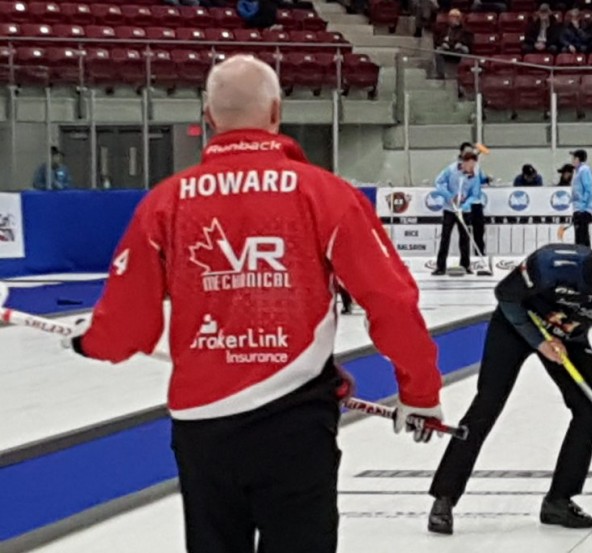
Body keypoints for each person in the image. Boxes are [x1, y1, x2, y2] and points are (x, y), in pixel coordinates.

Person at [64, 55, 444, 553]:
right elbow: (390, 301)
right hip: (295, 426)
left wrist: (89, 343)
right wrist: (419, 392)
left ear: (209, 114)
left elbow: (126, 329)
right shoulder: (323, 193)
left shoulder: (167, 201)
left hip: (204, 430)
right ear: (276, 111)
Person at [428, 239, 592, 534]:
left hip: (569, 339)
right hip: (517, 326)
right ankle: (444, 497)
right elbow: (505, 294)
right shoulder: (555, 262)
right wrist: (540, 343)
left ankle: (559, 501)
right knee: (488, 402)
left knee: (589, 412)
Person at [432, 151, 481, 276]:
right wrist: (449, 196)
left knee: (465, 238)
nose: (471, 168)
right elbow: (438, 183)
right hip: (449, 209)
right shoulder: (451, 170)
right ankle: (440, 267)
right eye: (469, 165)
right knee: (445, 237)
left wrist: (466, 203)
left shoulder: (475, 175)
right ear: (463, 162)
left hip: (464, 211)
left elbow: (475, 195)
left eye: (473, 165)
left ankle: (465, 265)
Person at [461, 142, 493, 276]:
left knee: (479, 230)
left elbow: (480, 180)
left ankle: (480, 256)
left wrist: (487, 179)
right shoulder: (460, 167)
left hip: (477, 203)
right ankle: (465, 261)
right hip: (466, 204)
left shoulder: (477, 167)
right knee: (465, 232)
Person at [570, 149, 592, 247]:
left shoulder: (584, 170)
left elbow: (588, 188)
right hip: (578, 208)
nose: (572, 160)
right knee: (579, 236)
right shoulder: (578, 171)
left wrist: (583, 206)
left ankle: (585, 257)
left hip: (582, 209)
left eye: (573, 158)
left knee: (582, 237)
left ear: (577, 159)